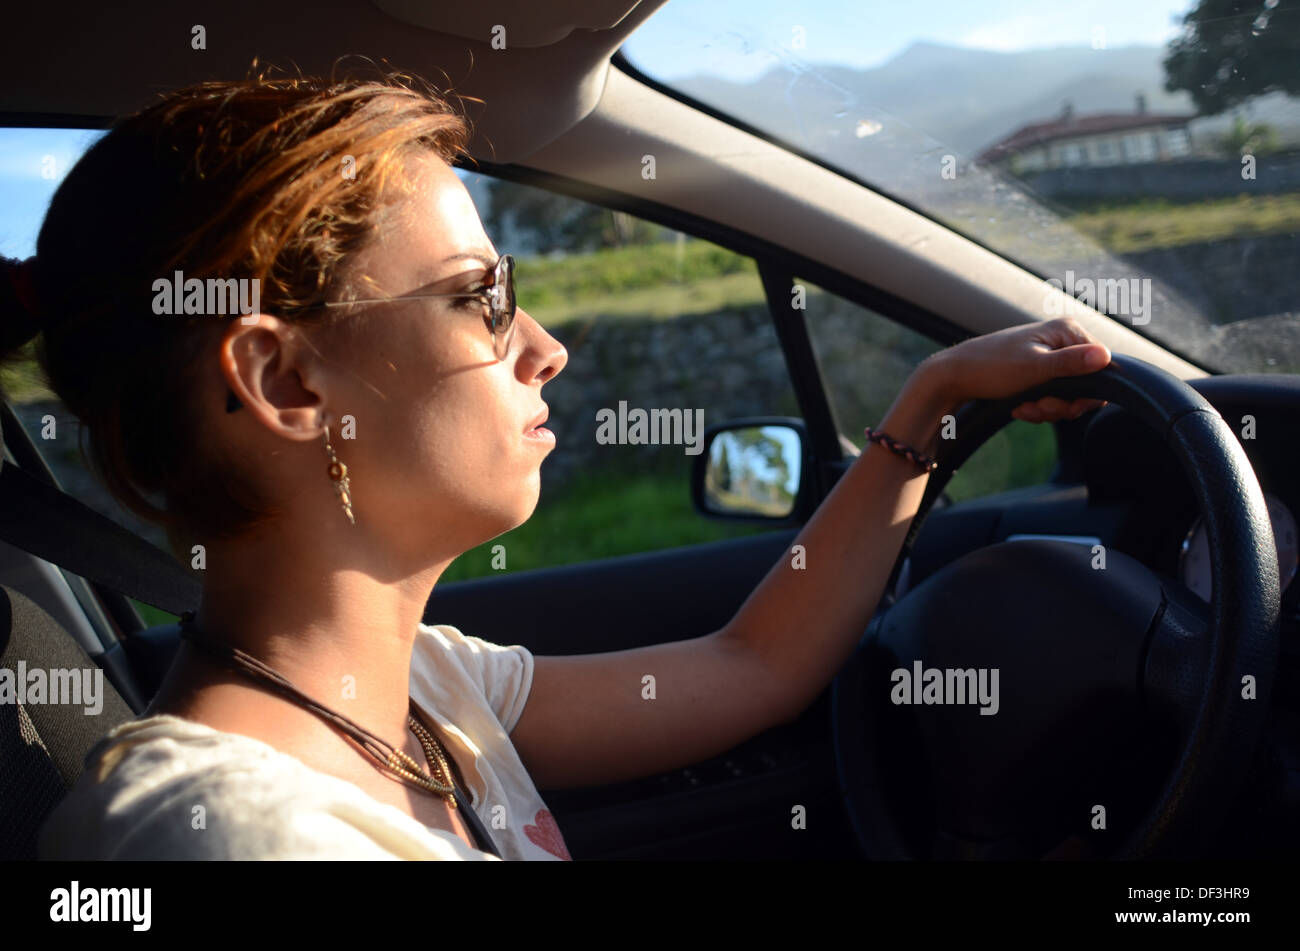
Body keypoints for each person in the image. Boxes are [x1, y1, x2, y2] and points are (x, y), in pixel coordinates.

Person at [2, 67, 1109, 861]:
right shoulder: (223, 834)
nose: (545, 348)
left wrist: (927, 409)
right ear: (288, 386)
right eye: (480, 298)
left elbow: (752, 668)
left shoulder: (430, 688)